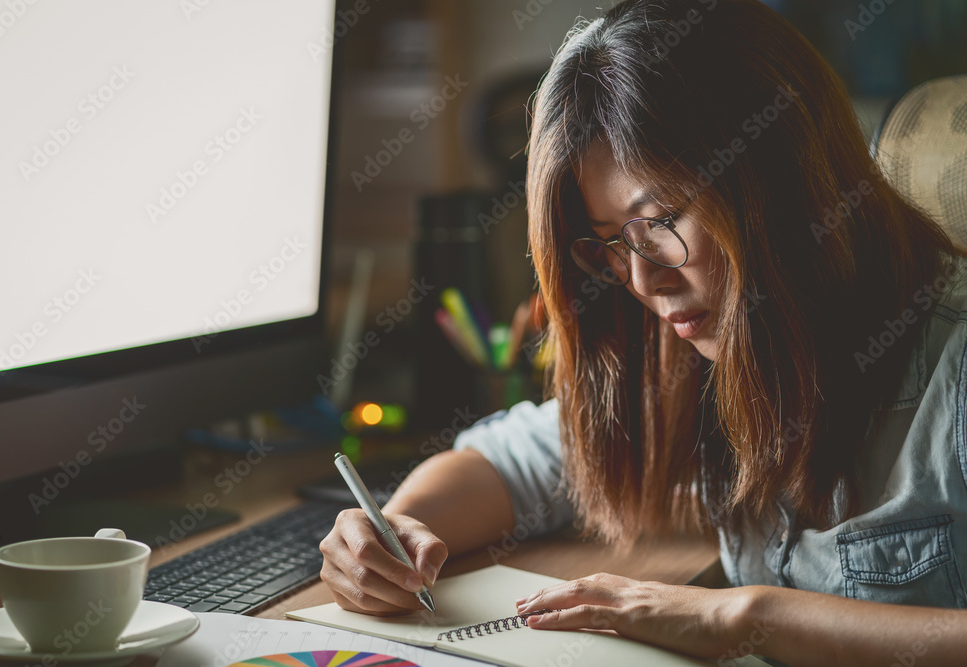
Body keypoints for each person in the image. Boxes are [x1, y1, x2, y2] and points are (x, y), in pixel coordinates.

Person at [320, 1, 967, 664]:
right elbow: (507, 464)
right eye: (608, 246)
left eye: (660, 221)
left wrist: (746, 616)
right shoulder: (697, 354)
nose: (642, 281)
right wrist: (391, 531)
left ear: (783, 178)